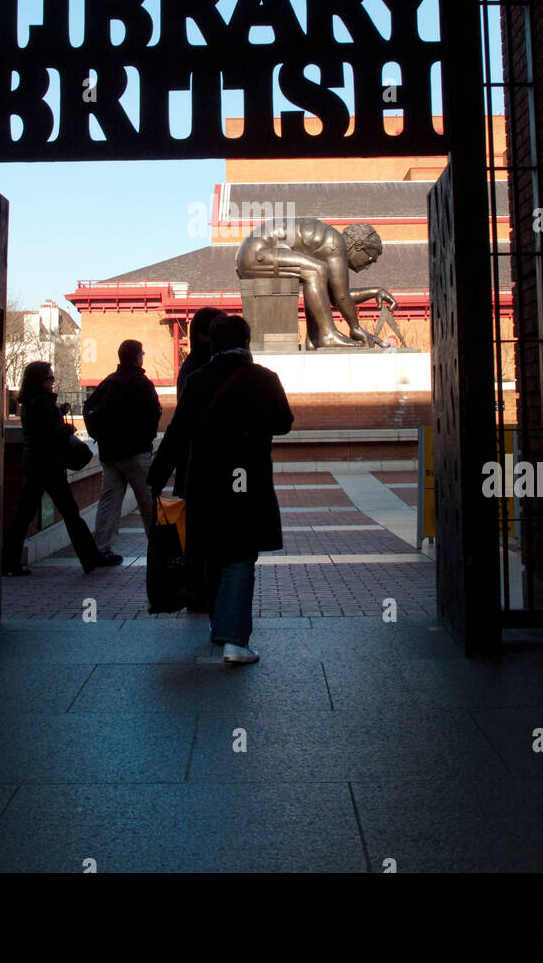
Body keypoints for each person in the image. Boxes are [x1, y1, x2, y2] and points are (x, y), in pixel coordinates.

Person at [148, 315, 293, 665]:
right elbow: (283, 424)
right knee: (240, 554)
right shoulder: (264, 379)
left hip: (206, 480)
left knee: (212, 552)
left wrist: (156, 477)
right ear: (246, 342)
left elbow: (177, 432)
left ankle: (220, 628)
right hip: (245, 478)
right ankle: (234, 641)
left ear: (213, 344)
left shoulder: (197, 380)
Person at [3, 360, 119, 576]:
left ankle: (9, 561)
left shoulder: (31, 402)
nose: (53, 381)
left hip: (36, 465)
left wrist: (59, 413)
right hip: (48, 466)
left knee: (25, 515)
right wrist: (67, 429)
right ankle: (91, 557)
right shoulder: (41, 403)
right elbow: (49, 436)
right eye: (49, 377)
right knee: (70, 514)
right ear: (40, 380)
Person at [235, 216, 396, 348]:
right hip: (256, 253)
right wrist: (355, 328)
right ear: (359, 246)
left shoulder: (328, 244)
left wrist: (375, 292)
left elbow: (333, 297)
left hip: (251, 255)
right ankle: (328, 335)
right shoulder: (335, 243)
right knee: (316, 271)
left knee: (315, 274)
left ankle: (314, 339)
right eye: (370, 259)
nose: (367, 266)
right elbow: (341, 297)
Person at [82, 339, 161, 561]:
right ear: (137, 357)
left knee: (109, 500)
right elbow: (153, 413)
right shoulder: (141, 383)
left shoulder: (108, 382)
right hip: (136, 452)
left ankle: (101, 548)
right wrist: (147, 439)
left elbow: (90, 410)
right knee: (148, 502)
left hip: (109, 454)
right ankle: (158, 550)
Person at [176, 308, 227, 611]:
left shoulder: (192, 367)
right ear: (205, 334)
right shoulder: (202, 370)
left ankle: (200, 593)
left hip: (192, 463)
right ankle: (203, 595)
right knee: (206, 533)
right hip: (202, 463)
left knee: (198, 534)